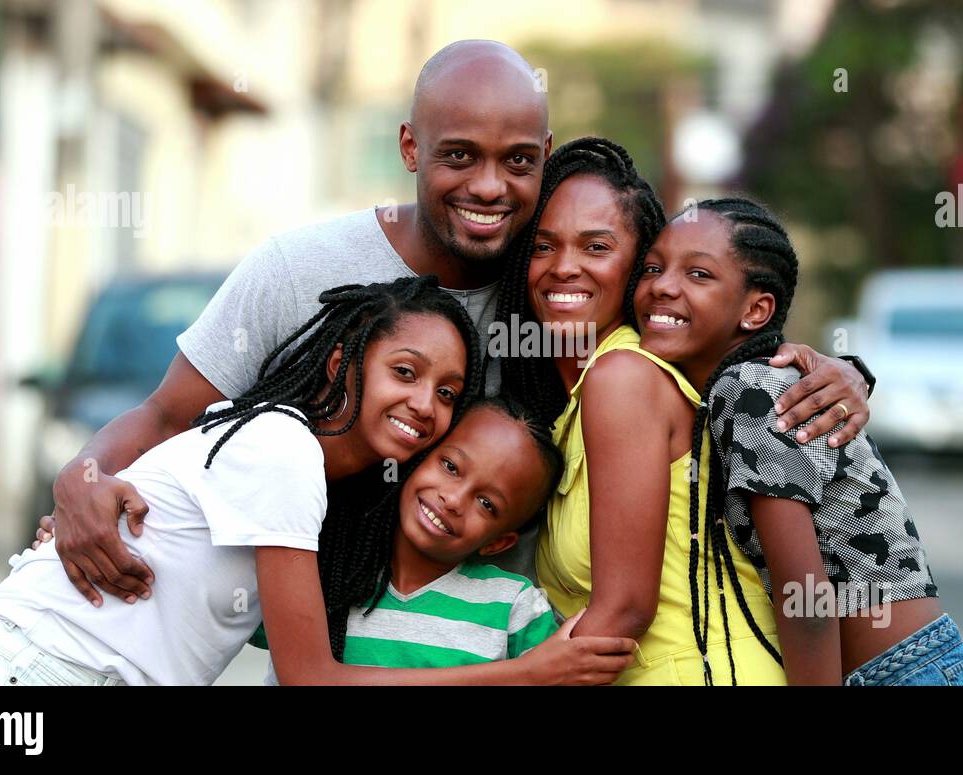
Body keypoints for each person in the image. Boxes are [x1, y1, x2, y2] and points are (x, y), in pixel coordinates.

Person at [46, 39, 869, 609]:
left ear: (543, 156)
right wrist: (80, 479)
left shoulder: (559, 290)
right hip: (326, 656)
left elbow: (701, 339)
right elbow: (163, 414)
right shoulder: (302, 268)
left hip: (494, 656)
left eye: (518, 160)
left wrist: (827, 370)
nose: (490, 185)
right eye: (458, 155)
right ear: (410, 147)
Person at [0, 278, 633, 686]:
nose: (426, 404)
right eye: (405, 372)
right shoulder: (283, 449)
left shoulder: (324, 492)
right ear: (339, 363)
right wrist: (529, 671)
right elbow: (312, 679)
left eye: (449, 392)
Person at [634, 196, 963, 686]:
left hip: (905, 674)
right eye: (653, 268)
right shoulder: (743, 386)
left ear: (756, 310)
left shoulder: (749, 388)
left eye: (699, 275)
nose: (663, 285)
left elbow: (805, 597)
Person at [498, 138, 820, 684]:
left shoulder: (623, 377)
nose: (563, 268)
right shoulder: (573, 401)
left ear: (636, 266)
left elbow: (624, 611)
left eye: (596, 248)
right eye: (544, 246)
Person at [258, 397, 567, 681]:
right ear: (419, 457)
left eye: (487, 504)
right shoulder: (320, 573)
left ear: (497, 543)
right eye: (450, 466)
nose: (454, 500)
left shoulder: (514, 607)